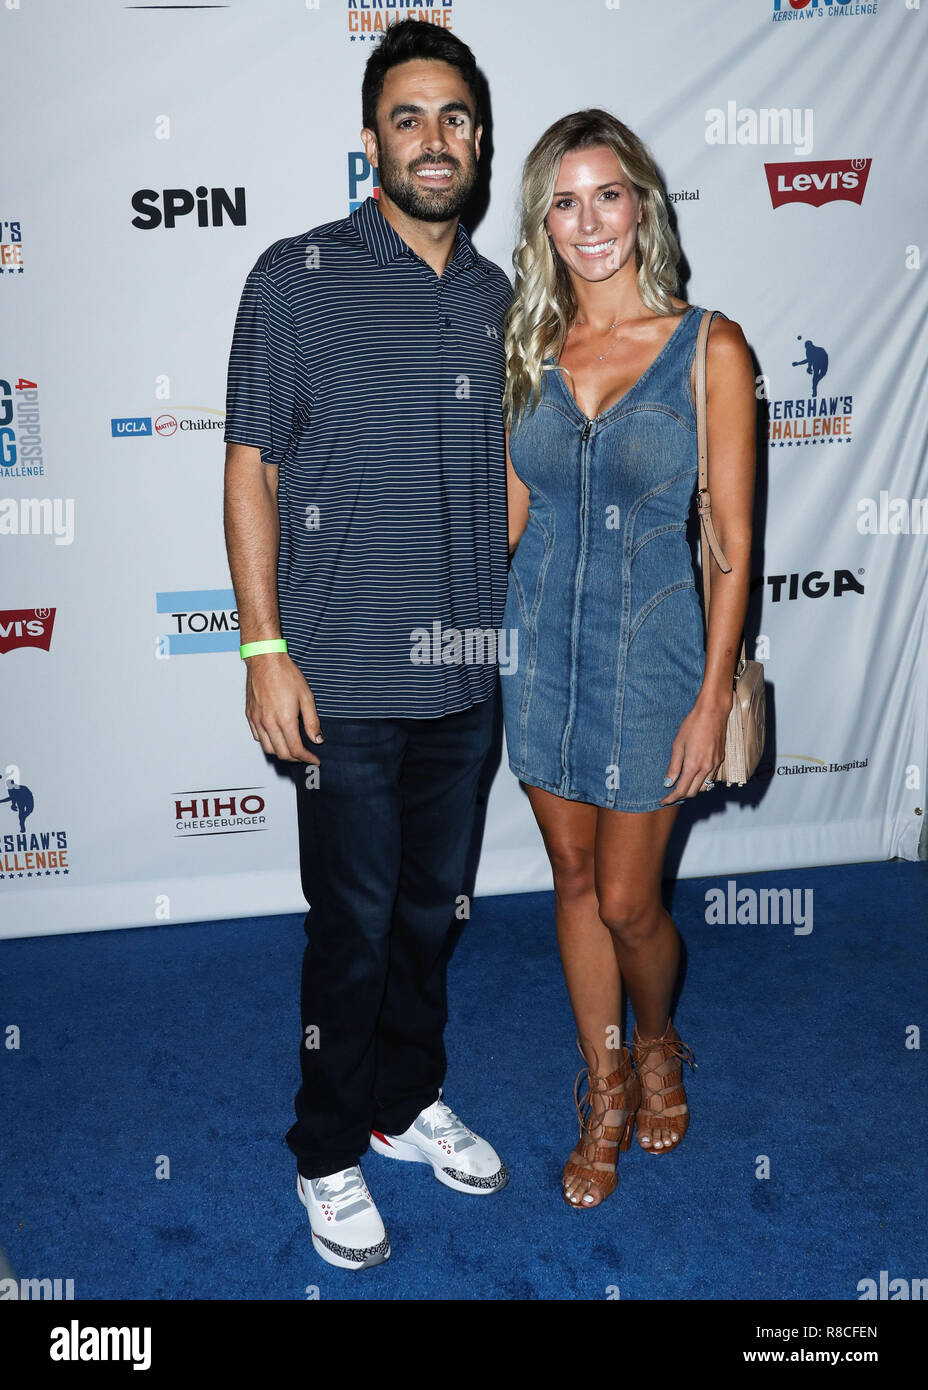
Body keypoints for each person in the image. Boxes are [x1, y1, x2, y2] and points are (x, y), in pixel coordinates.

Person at [222, 21, 511, 1271]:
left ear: (480, 140)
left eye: (454, 117)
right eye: (408, 116)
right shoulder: (295, 277)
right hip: (337, 679)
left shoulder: (505, 297)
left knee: (430, 919)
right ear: (369, 140)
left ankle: (401, 1102)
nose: (433, 139)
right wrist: (261, 647)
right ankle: (326, 1147)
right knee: (347, 927)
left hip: (463, 677)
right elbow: (249, 471)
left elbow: (511, 481)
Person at [502, 109, 756, 1208]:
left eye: (607, 194)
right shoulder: (527, 348)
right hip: (539, 662)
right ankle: (606, 1084)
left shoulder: (710, 347)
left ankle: (657, 1039)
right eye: (565, 200)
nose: (588, 220)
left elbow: (736, 551)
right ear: (542, 222)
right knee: (568, 881)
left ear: (642, 205)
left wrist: (708, 700)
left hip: (653, 663)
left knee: (627, 901)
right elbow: (505, 526)